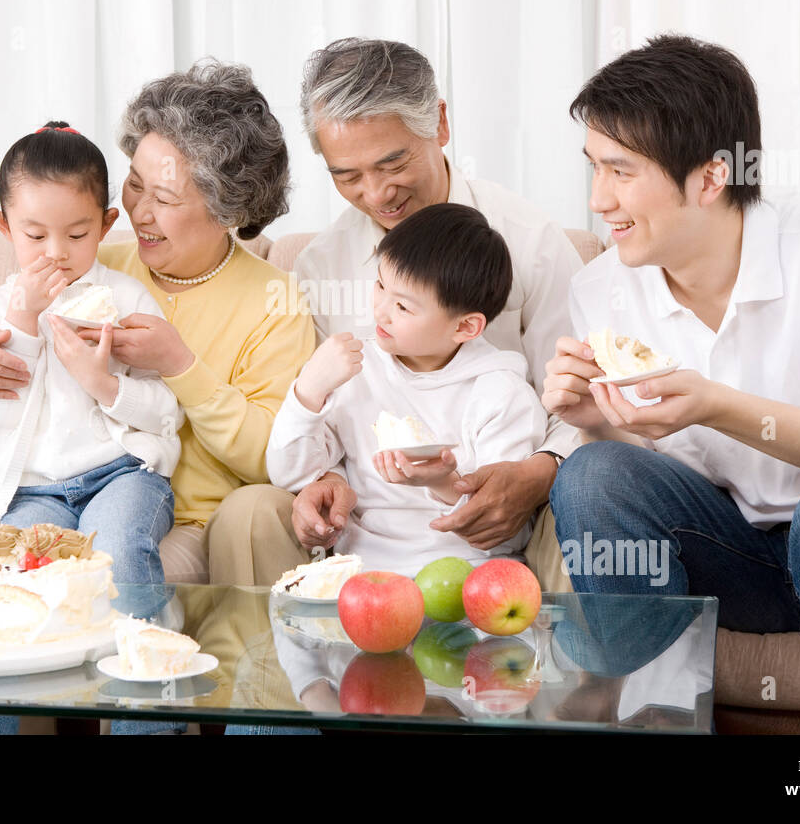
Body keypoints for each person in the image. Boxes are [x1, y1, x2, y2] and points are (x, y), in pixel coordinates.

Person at [542, 34, 800, 734]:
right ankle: (652, 725)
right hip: (740, 551)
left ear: (709, 179)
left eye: (620, 172)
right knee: (593, 474)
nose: (598, 200)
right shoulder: (601, 289)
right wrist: (599, 419)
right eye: (593, 169)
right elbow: (656, 484)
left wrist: (717, 405)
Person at [208, 37, 583, 592]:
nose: (377, 193)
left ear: (439, 125)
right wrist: (323, 481)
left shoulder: (532, 245)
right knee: (247, 512)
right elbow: (320, 422)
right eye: (347, 175)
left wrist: (538, 472)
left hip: (500, 517)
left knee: (583, 508)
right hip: (370, 531)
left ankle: (553, 675)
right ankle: (288, 677)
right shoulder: (322, 265)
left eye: (393, 162)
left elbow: (586, 401)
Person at [0, 61, 314, 587]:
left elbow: (269, 458)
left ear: (225, 208)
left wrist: (180, 365)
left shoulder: (274, 301)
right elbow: (7, 421)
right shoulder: (90, 265)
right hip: (60, 497)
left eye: (163, 199)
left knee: (111, 570)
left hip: (187, 517)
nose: (139, 212)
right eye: (135, 185)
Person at [267, 203, 542, 575]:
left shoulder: (501, 394)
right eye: (380, 285)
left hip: (470, 573)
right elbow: (288, 474)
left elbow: (501, 533)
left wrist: (442, 482)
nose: (380, 311)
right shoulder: (355, 368)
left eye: (403, 307)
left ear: (465, 328)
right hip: (363, 575)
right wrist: (309, 391)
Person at [0, 121, 181, 595]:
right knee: (16, 577)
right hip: (36, 489)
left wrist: (103, 384)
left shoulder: (126, 296)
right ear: (3, 226)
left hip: (123, 475)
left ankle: (143, 657)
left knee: (118, 554)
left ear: (105, 225)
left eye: (78, 234)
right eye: (36, 236)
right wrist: (22, 324)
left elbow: (168, 413)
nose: (57, 253)